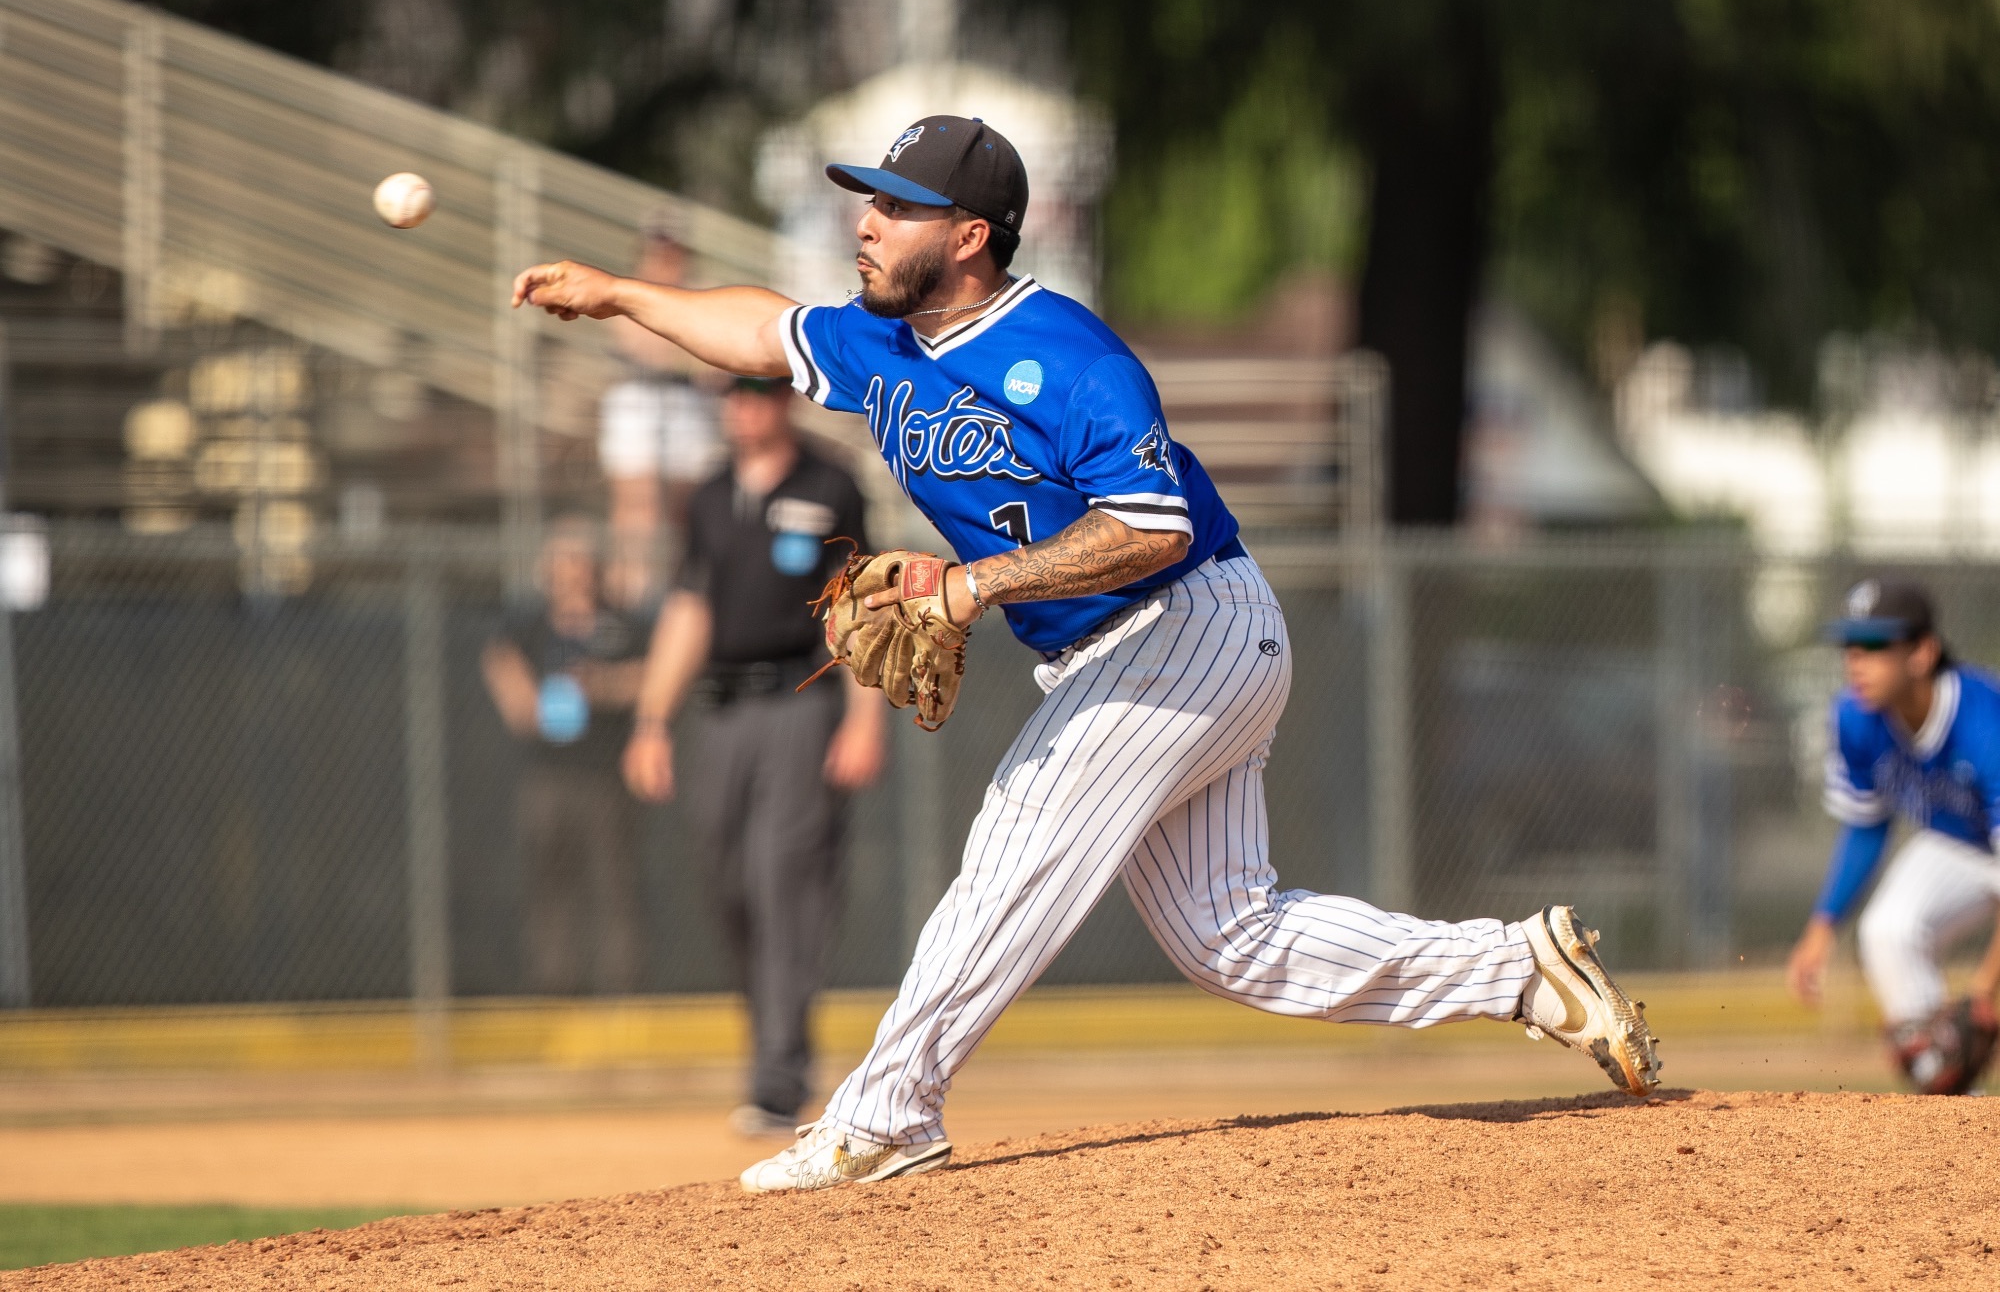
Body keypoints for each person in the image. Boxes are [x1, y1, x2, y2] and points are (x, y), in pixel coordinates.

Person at [513, 113, 1661, 1195]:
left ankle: (884, 1114)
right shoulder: (880, 342)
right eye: (866, 201)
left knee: (1016, 832)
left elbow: (1150, 527)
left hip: (1183, 622)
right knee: (1232, 936)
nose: (864, 222)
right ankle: (1519, 968)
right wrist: (616, 295)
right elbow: (760, 329)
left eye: (894, 208)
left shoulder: (1067, 355)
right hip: (1136, 654)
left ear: (967, 237)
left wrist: (971, 585)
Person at [622, 375, 887, 1138]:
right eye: (733, 395)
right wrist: (650, 719)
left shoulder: (830, 485)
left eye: (760, 392)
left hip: (801, 705)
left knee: (785, 879)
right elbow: (688, 607)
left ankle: (779, 1075)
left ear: (785, 401)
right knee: (728, 878)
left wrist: (864, 720)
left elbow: (858, 606)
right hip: (722, 710)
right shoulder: (708, 497)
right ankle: (774, 1047)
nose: (745, 406)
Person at [1787, 578, 2000, 1091]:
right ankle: (1949, 1097)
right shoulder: (1855, 718)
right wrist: (1823, 925)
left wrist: (1983, 994)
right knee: (1888, 930)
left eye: (1877, 645)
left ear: (1923, 653)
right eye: (1850, 646)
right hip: (1963, 845)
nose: (1857, 661)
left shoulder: (1985, 725)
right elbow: (1866, 823)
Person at [481, 517, 650, 995]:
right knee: (548, 883)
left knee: (614, 886)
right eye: (562, 561)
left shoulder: (622, 624)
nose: (572, 572)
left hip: (605, 776)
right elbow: (498, 657)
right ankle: (554, 989)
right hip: (547, 776)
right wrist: (524, 700)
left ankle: (622, 990)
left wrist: (602, 684)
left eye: (580, 561)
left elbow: (651, 675)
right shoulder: (528, 623)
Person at [597, 221, 726, 606]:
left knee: (687, 513)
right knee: (636, 512)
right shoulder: (630, 291)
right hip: (640, 401)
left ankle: (675, 601)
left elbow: (715, 363)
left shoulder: (701, 295)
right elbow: (645, 346)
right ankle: (630, 605)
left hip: (689, 405)